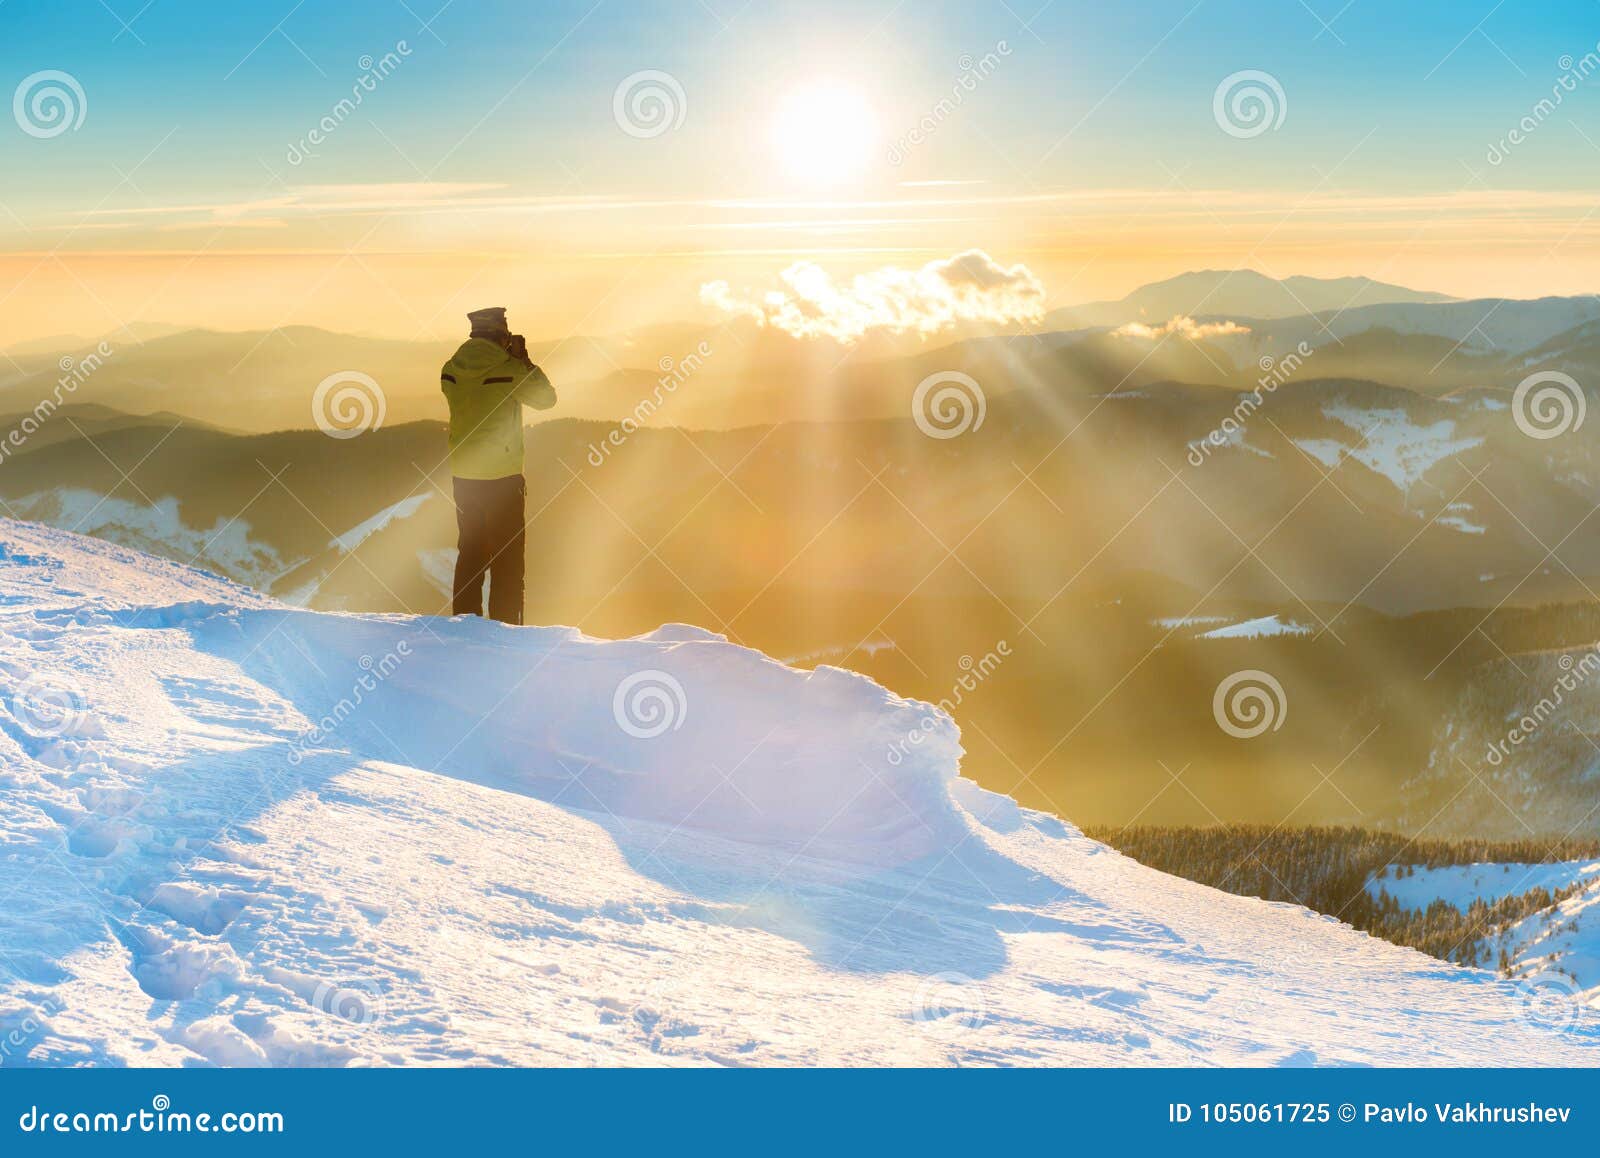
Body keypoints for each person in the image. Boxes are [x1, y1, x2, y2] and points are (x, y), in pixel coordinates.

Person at [440, 307, 555, 624]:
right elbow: (546, 399)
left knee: (471, 551)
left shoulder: (450, 369)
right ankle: (505, 628)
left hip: (464, 475)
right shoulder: (510, 369)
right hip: (502, 477)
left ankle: (464, 624)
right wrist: (524, 361)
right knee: (507, 557)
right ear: (501, 333)